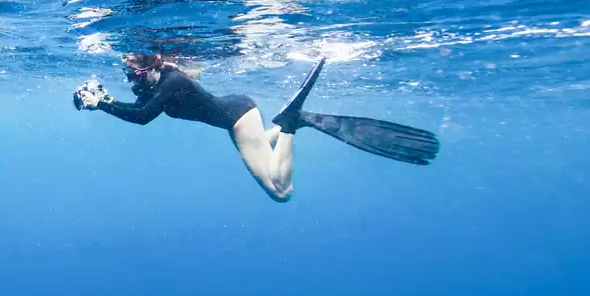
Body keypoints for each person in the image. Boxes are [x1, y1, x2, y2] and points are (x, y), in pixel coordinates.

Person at [73, 54, 439, 202]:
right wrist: (103, 100)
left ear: (152, 66)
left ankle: (293, 123)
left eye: (135, 74)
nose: (133, 80)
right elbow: (136, 109)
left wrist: (103, 104)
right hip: (236, 117)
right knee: (261, 144)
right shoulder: (159, 83)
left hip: (236, 118)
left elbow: (141, 118)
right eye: (127, 75)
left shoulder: (170, 82)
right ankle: (287, 126)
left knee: (281, 191)